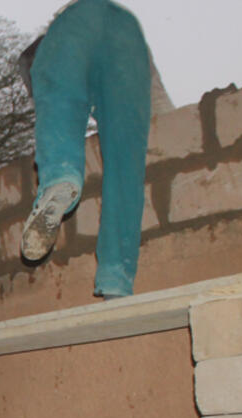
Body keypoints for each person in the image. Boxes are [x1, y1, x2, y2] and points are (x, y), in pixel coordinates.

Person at [18, 0, 173, 298]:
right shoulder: (130, 40)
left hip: (77, 21)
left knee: (60, 111)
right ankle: (116, 276)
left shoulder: (56, 42)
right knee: (127, 164)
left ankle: (61, 175)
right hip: (129, 31)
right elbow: (160, 109)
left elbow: (56, 99)